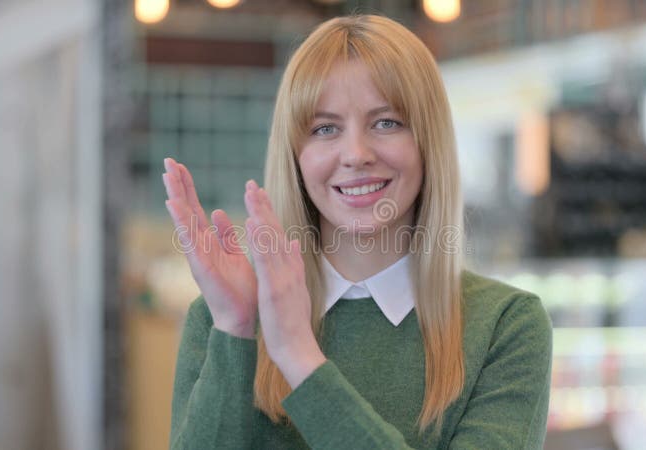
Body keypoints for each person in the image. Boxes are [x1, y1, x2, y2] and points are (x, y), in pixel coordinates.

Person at [162, 14, 552, 450]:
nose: (355, 154)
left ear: (429, 142)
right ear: (295, 157)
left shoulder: (506, 326)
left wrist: (299, 356)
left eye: (386, 122)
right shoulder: (221, 318)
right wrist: (235, 328)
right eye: (325, 129)